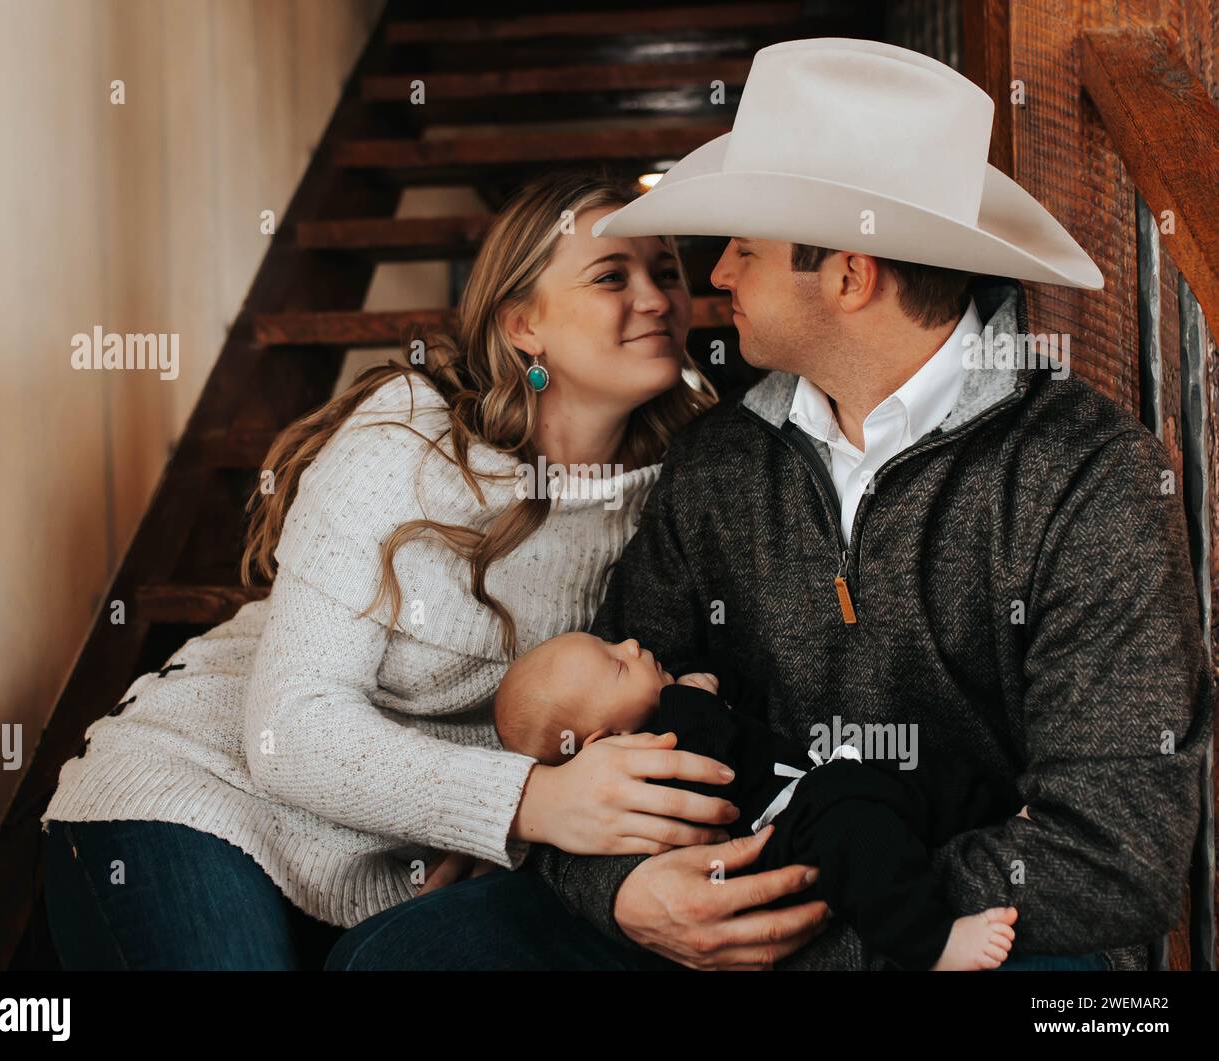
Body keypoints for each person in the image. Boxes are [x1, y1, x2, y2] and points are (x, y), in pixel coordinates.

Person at [327, 39, 1210, 973]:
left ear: (848, 276)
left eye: (744, 250)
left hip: (955, 935)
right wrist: (627, 893)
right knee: (396, 959)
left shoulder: (1090, 473)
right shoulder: (717, 462)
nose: (714, 280)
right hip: (705, 892)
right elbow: (597, 742)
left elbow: (1120, 851)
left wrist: (823, 922)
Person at [40, 169, 740, 970]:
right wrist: (524, 805)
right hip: (206, 794)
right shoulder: (409, 443)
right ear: (524, 326)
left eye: (667, 270)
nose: (655, 297)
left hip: (404, 855)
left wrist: (512, 829)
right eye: (612, 275)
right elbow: (290, 732)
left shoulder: (680, 491)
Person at [490, 629, 1026, 970]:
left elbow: (744, 726)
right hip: (775, 844)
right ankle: (929, 944)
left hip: (810, 788)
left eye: (613, 643)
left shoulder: (670, 713)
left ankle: (1006, 812)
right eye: (617, 665)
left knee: (908, 769)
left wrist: (710, 691)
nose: (631, 646)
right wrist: (689, 697)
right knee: (853, 828)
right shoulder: (654, 756)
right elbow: (712, 748)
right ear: (601, 745)